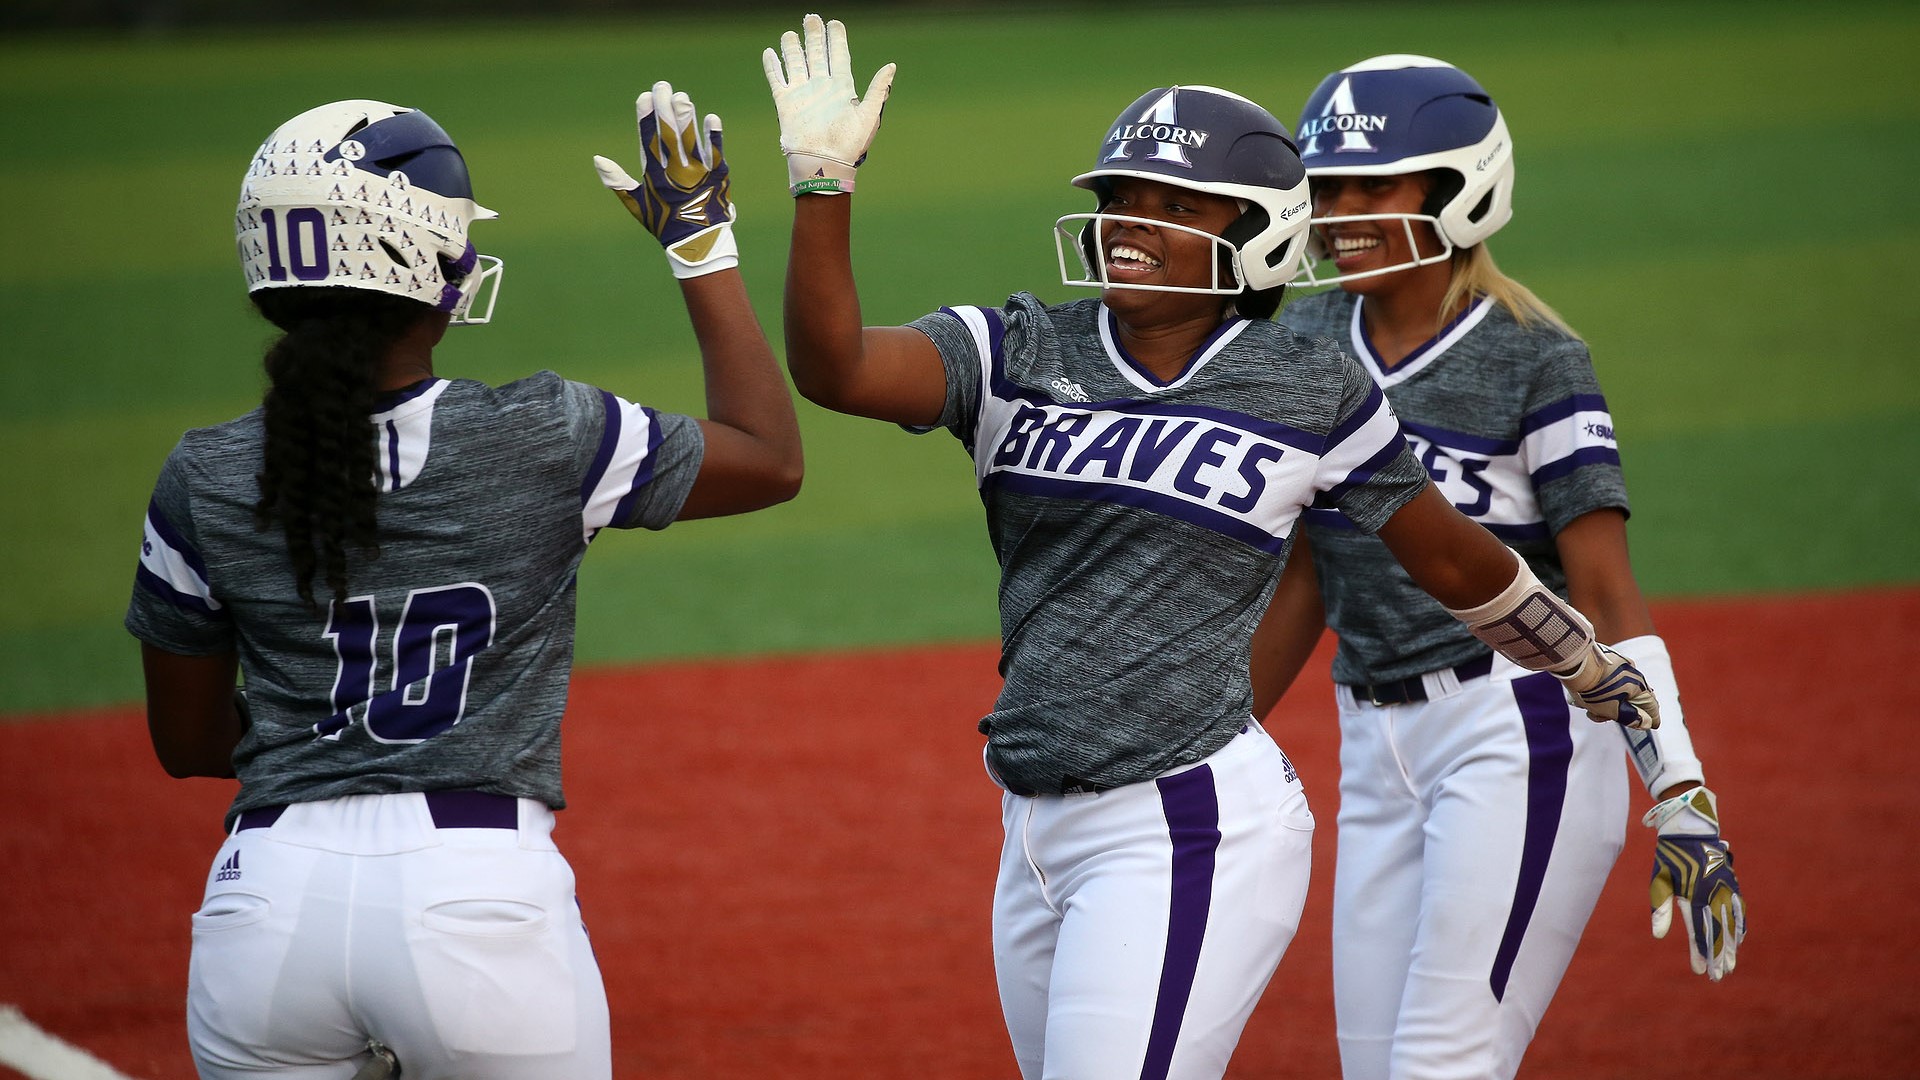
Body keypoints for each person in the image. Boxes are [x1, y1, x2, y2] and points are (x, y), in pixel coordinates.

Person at [761, 17, 1662, 1080]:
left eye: (1173, 205)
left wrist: (1595, 670)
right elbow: (836, 371)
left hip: (1187, 821)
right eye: (1118, 200)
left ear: (1260, 235)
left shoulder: (1312, 386)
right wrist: (824, 186)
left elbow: (1452, 559)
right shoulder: (1016, 346)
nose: (1130, 225)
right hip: (1035, 824)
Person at [125, 84, 800, 1079]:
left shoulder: (204, 475)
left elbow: (187, 743)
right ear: (430, 265)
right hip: (477, 902)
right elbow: (770, 458)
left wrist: (329, 744)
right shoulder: (543, 434)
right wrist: (698, 239)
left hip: (262, 909)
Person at [1253, 53, 1746, 1080]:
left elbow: (1605, 593)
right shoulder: (1301, 339)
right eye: (1326, 185)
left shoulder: (1534, 356)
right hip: (1371, 743)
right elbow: (1304, 574)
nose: (1338, 211)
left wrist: (1683, 791)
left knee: (1443, 1063)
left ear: (1455, 189)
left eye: (1371, 185)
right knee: (1376, 1065)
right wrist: (1200, 742)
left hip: (1521, 731)